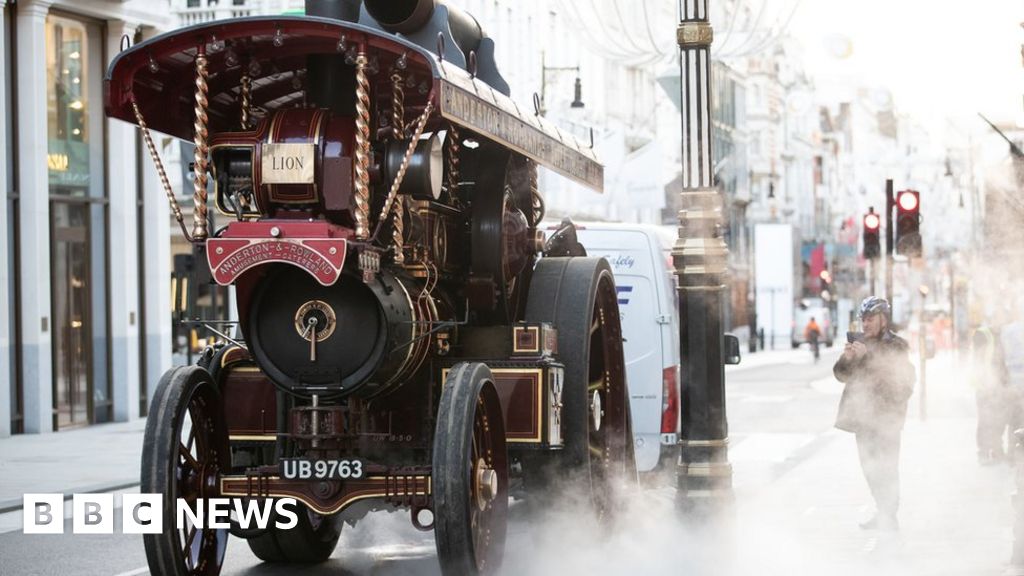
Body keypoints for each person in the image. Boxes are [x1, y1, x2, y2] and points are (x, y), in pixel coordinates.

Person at [833, 296, 916, 531]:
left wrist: (865, 357)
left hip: (886, 420)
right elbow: (841, 375)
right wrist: (848, 359)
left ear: (883, 319)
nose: (865, 324)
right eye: (863, 320)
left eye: (870, 319)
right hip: (863, 420)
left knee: (887, 469)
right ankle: (883, 512)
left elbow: (899, 381)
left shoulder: (897, 346)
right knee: (869, 469)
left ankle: (889, 519)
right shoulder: (859, 344)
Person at [972, 325, 1008, 464]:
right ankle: (983, 452)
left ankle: (996, 450)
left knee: (999, 419)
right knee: (985, 419)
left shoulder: (1003, 333)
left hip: (1000, 384)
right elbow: (979, 359)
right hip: (985, 384)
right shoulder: (982, 333)